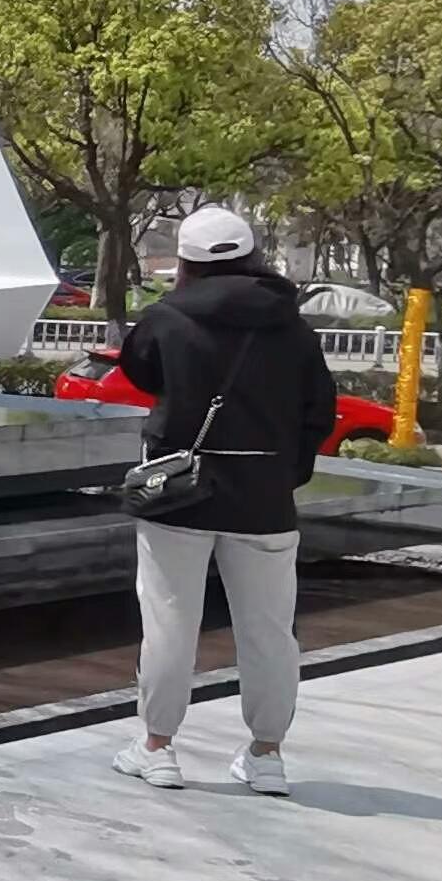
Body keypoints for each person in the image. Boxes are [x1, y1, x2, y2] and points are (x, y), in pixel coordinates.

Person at [108, 205, 339, 798]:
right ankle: (267, 754)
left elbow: (141, 371)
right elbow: (319, 411)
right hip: (264, 499)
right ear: (253, 256)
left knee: (170, 621)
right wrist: (284, 473)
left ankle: (157, 748)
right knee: (270, 631)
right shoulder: (293, 327)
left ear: (184, 262)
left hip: (179, 493)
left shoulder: (168, 318)